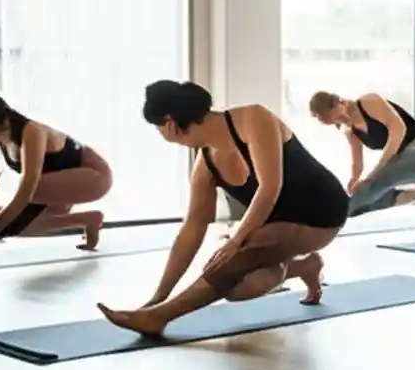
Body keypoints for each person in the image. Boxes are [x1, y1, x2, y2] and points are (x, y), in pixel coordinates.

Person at [97, 80, 348, 336]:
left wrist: (236, 241)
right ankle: (304, 266)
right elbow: (192, 228)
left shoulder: (253, 119)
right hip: (275, 223)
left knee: (233, 262)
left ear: (170, 124)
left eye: (158, 128)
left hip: (321, 213)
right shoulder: (206, 164)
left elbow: (270, 187)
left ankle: (159, 318)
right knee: (239, 288)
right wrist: (158, 295)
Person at [308, 90, 415, 223]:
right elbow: (357, 164)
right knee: (373, 190)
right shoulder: (351, 131)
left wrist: (373, 175)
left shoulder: (369, 101)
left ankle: (335, 217)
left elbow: (399, 129)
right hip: (409, 157)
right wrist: (353, 184)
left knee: (377, 183)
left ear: (338, 104)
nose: (325, 121)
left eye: (325, 116)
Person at [0, 94, 112, 249]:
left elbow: (26, 191)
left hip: (94, 177)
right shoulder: (1, 138)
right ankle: (88, 219)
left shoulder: (32, 132)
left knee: (24, 200)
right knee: (16, 224)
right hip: (58, 184)